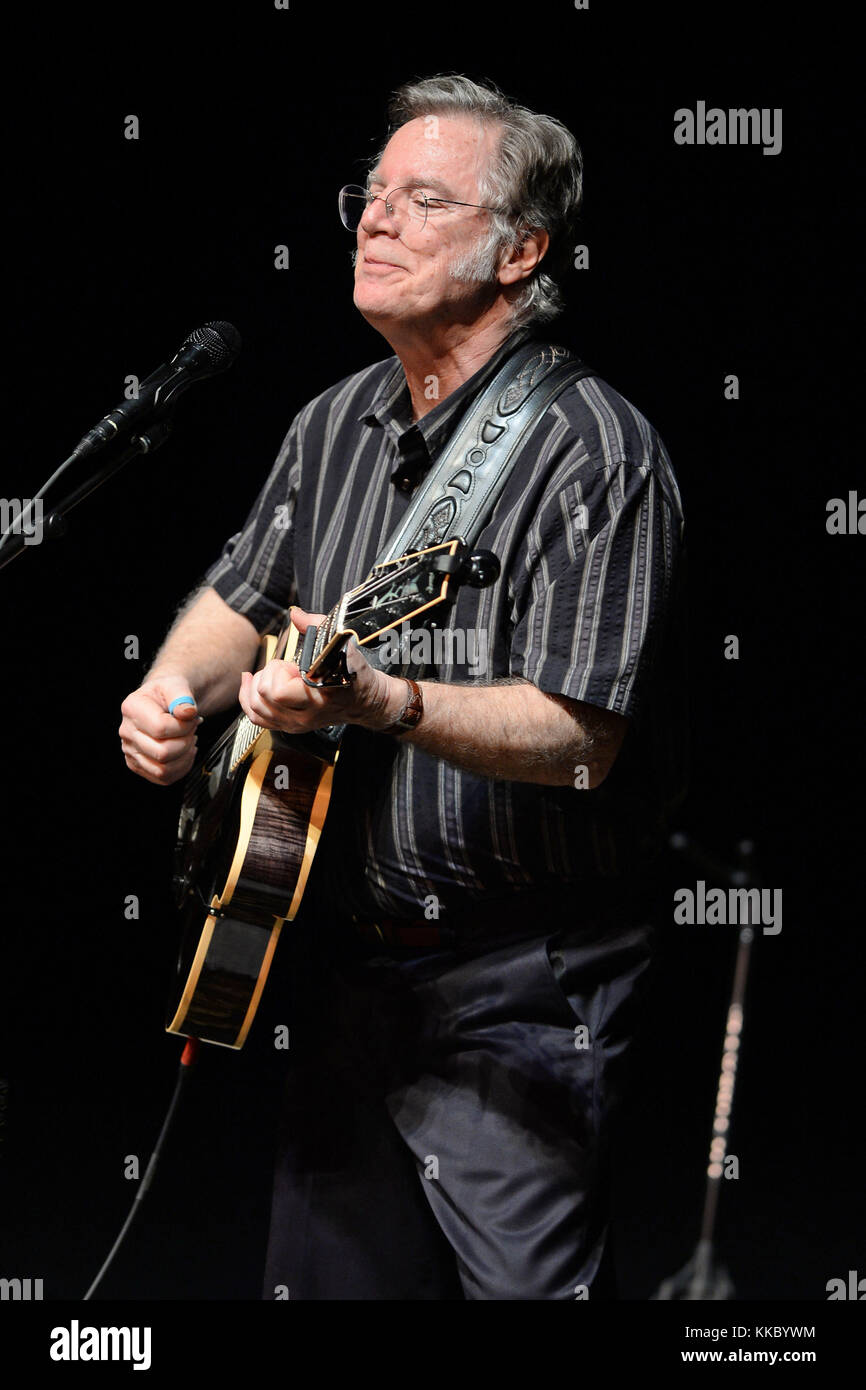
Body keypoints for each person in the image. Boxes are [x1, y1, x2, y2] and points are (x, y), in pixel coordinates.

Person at [119, 74, 686, 1300]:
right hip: (333, 967)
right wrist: (169, 695)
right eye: (366, 196)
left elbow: (584, 736)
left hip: (518, 985)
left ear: (519, 248)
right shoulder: (333, 421)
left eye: (421, 199)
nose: (374, 221)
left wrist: (387, 704)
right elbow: (242, 597)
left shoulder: (595, 451)